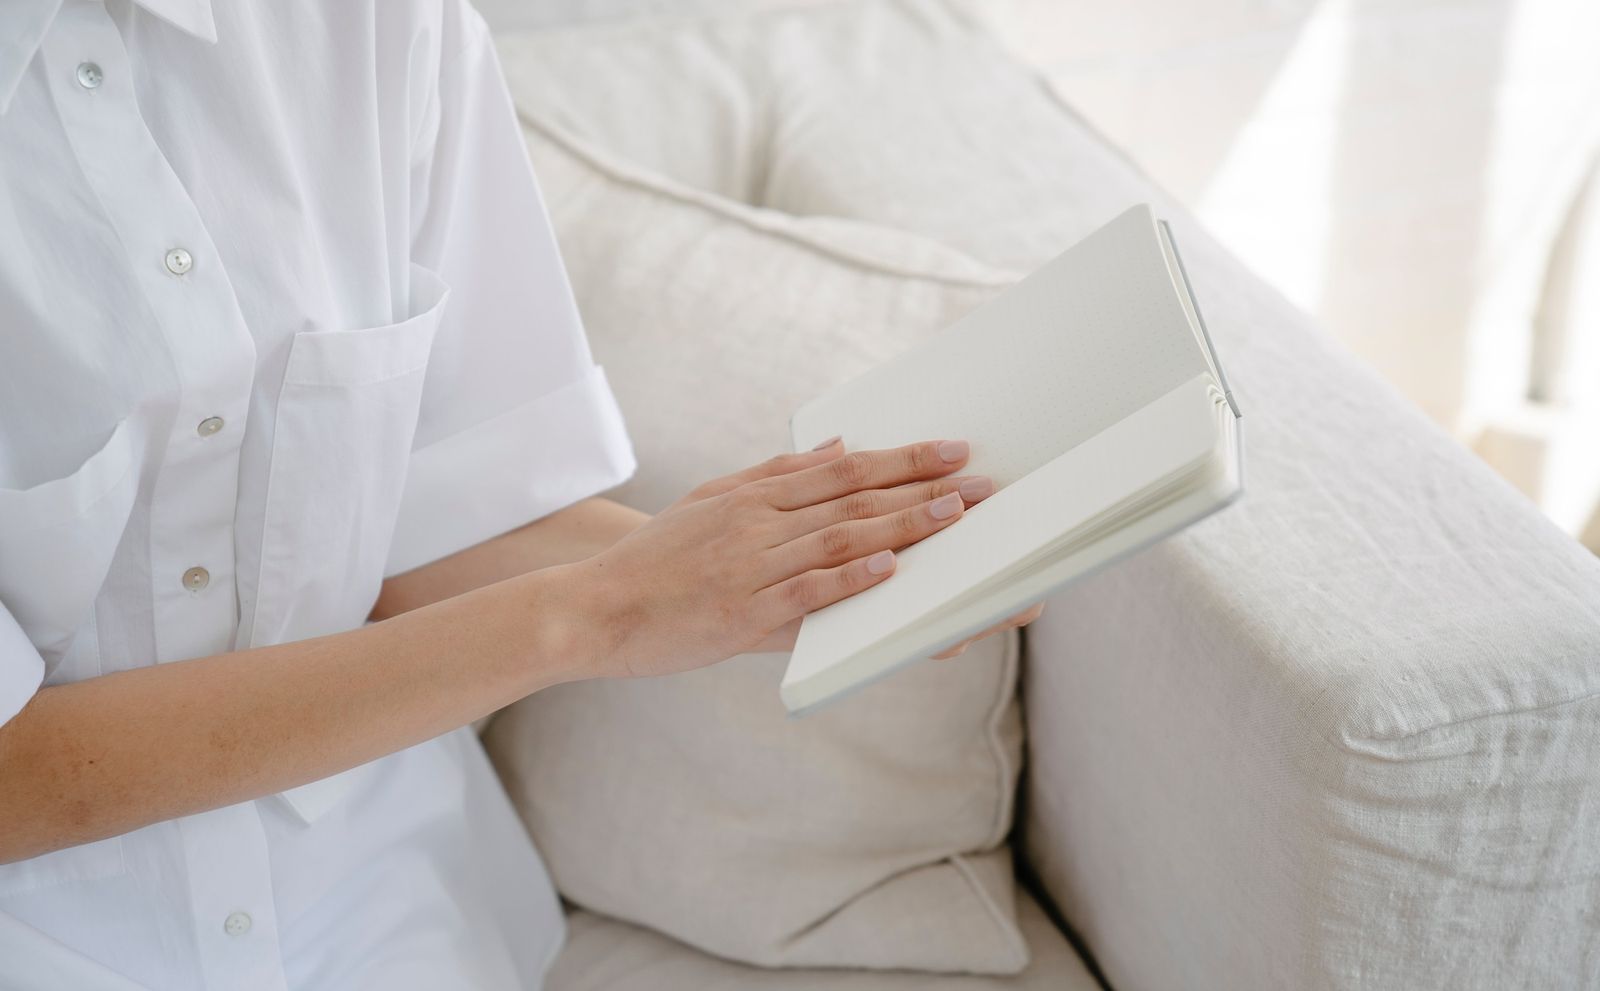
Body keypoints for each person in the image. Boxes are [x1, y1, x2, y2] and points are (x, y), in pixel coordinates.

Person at [0, 1, 1040, 987]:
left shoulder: (376, 26)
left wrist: (788, 578)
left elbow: (450, 510)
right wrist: (599, 613)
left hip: (391, 916)